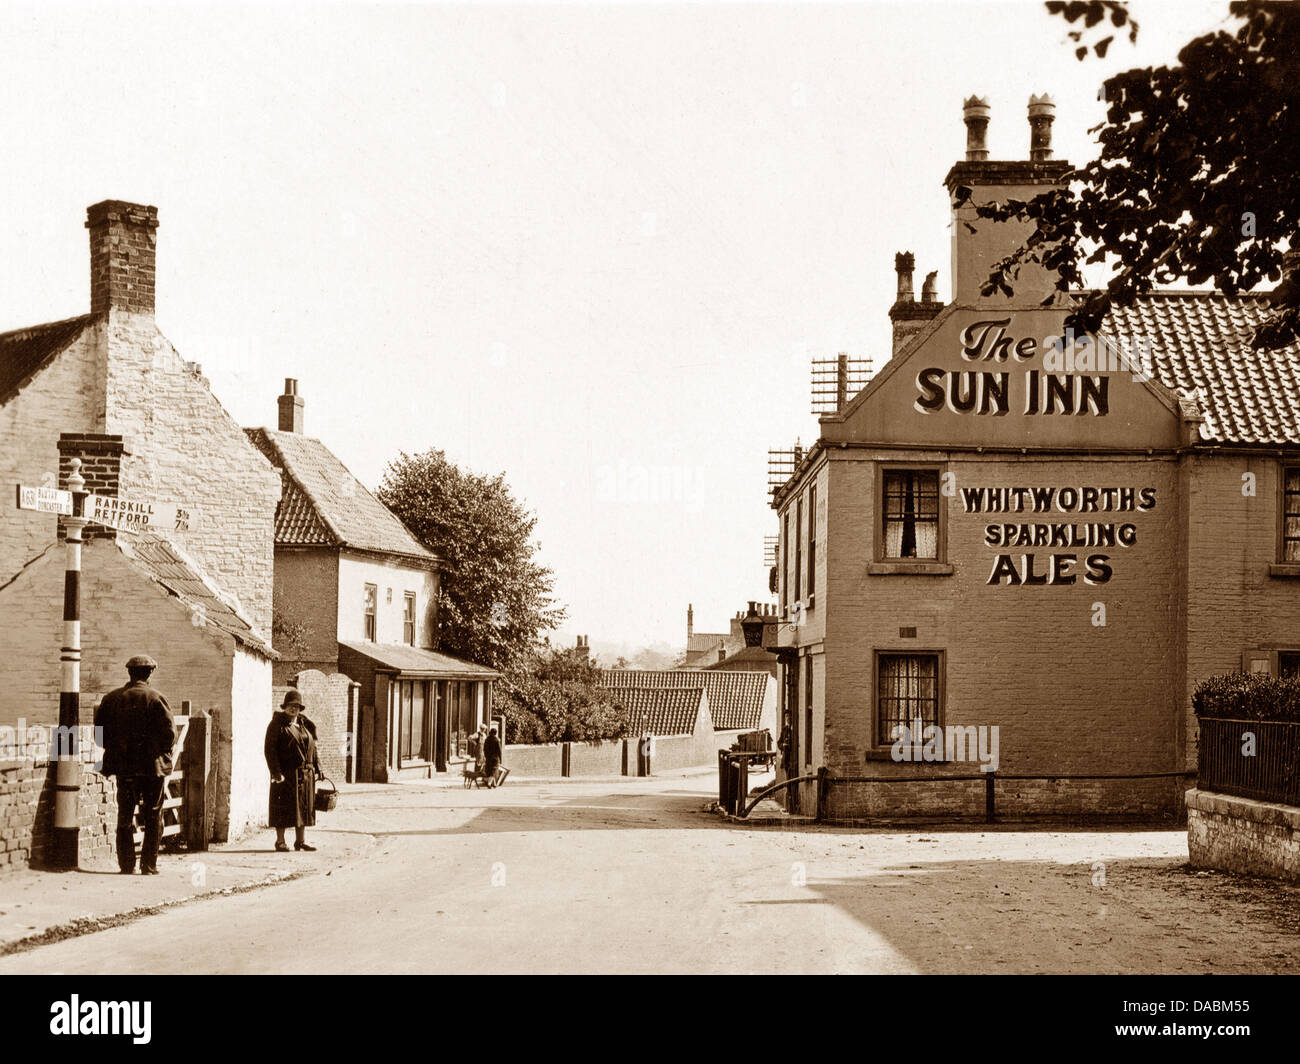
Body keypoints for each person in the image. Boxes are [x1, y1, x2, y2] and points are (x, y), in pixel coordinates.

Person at [94, 655, 177, 875]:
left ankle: (126, 865)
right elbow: (170, 735)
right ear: (150, 673)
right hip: (152, 768)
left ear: (129, 673)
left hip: (124, 768)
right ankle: (149, 865)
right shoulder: (157, 698)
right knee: (152, 815)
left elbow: (99, 737)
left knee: (124, 815)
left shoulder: (111, 699)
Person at [264, 689, 322, 852]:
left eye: (296, 706)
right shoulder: (277, 725)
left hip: (305, 774)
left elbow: (312, 747)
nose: (293, 709)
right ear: (285, 706)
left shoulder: (303, 724)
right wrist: (276, 773)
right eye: (290, 705)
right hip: (285, 774)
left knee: (303, 808)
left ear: (300, 708)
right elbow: (270, 750)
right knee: (282, 807)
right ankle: (280, 841)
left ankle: (300, 841)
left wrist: (318, 767)